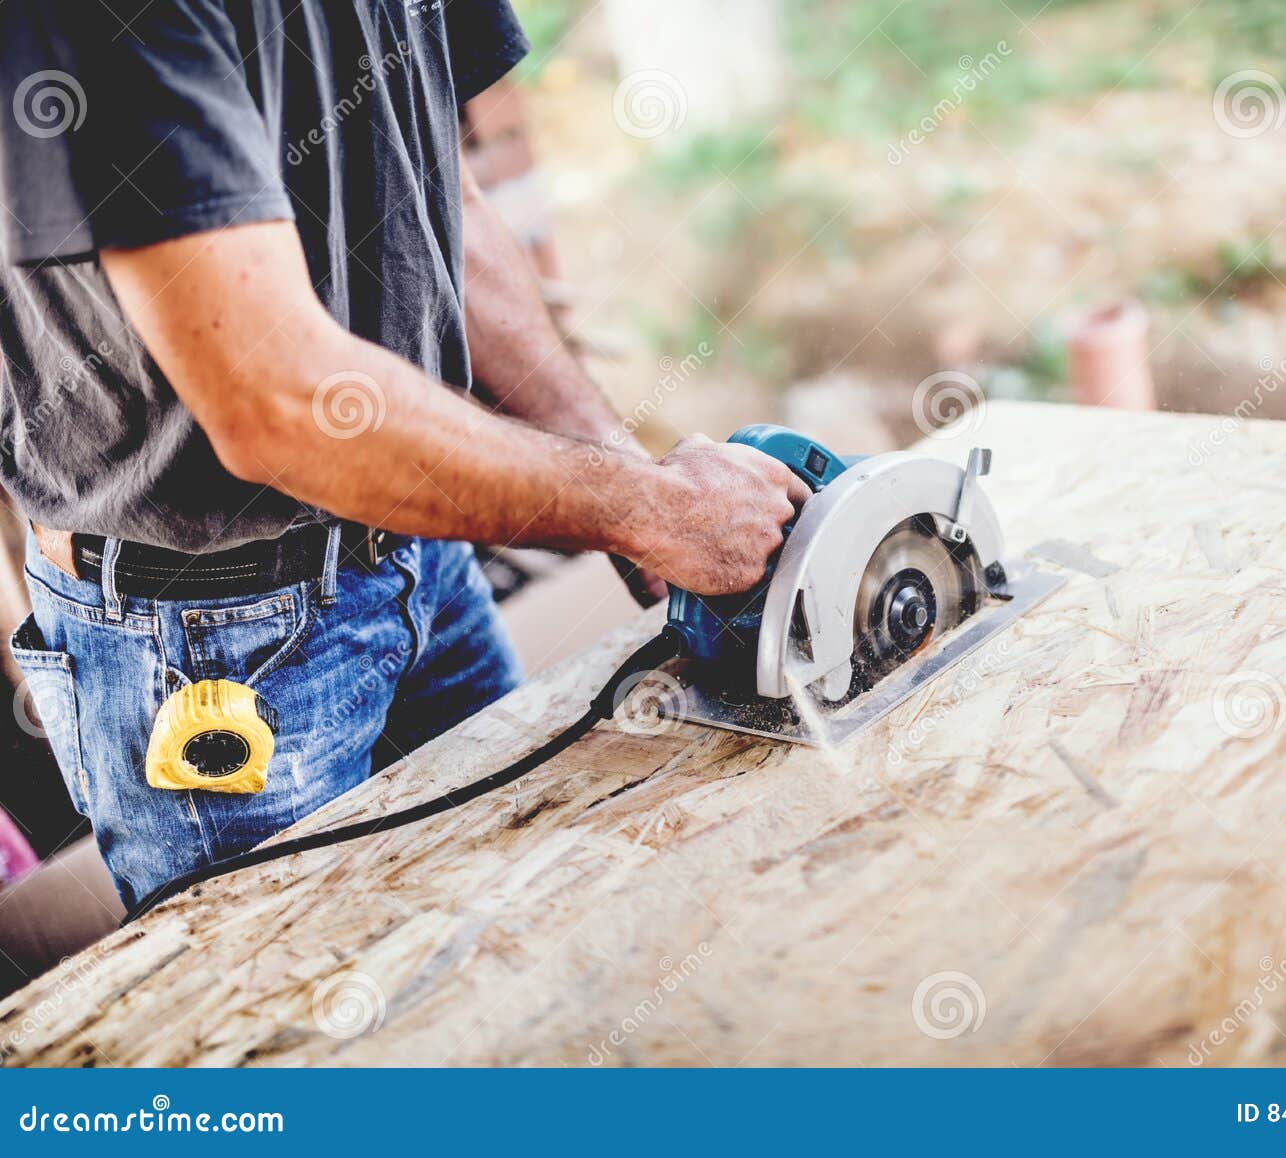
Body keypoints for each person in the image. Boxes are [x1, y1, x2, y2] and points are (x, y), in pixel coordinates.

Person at [0, 1, 807, 909]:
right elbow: (278, 406)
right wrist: (644, 510)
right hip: (208, 640)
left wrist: (633, 481)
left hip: (417, 550)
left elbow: (431, 198)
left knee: (513, 917)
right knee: (300, 1021)